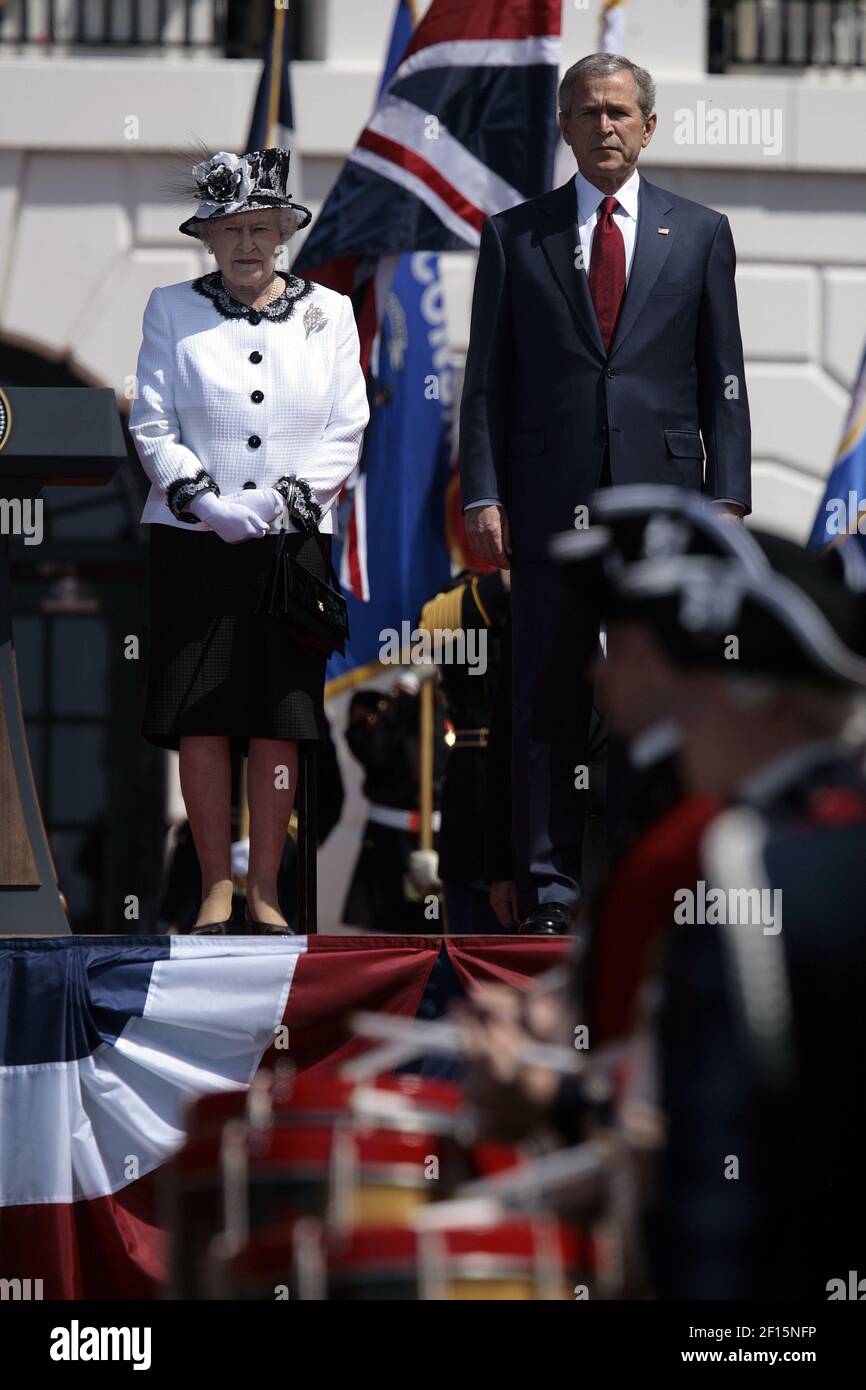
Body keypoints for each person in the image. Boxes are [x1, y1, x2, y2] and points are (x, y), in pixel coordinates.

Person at [459, 51, 751, 935]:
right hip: (548, 502)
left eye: (621, 112)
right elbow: (485, 384)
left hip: (663, 506)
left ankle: (637, 883)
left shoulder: (699, 233)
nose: (606, 126)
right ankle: (549, 892)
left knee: (650, 691)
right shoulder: (516, 236)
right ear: (565, 126)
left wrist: (727, 501)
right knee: (545, 690)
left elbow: (723, 380)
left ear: (649, 125)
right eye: (589, 113)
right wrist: (484, 492)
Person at [129, 148, 369, 934]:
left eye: (260, 230)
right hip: (194, 540)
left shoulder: (329, 312)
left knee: (279, 714)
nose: (245, 246)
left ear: (283, 233)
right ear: (207, 237)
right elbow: (153, 421)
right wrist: (203, 500)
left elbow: (348, 424)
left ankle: (265, 887)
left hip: (290, 543)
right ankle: (212, 886)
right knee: (202, 713)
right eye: (229, 231)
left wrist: (279, 503)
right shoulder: (171, 307)